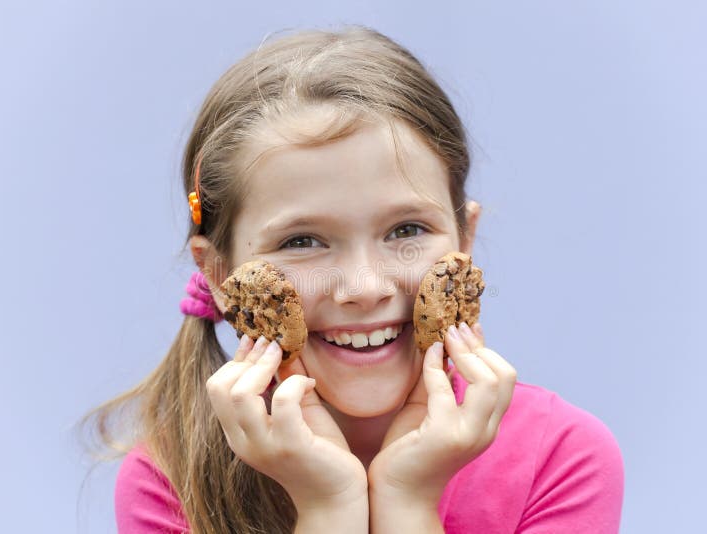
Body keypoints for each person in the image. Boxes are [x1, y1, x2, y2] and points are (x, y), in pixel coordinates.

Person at [87, 26, 624, 533]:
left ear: (464, 243)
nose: (365, 288)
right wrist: (328, 507)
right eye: (302, 241)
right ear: (220, 275)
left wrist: (408, 501)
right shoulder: (170, 482)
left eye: (406, 230)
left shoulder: (560, 457)